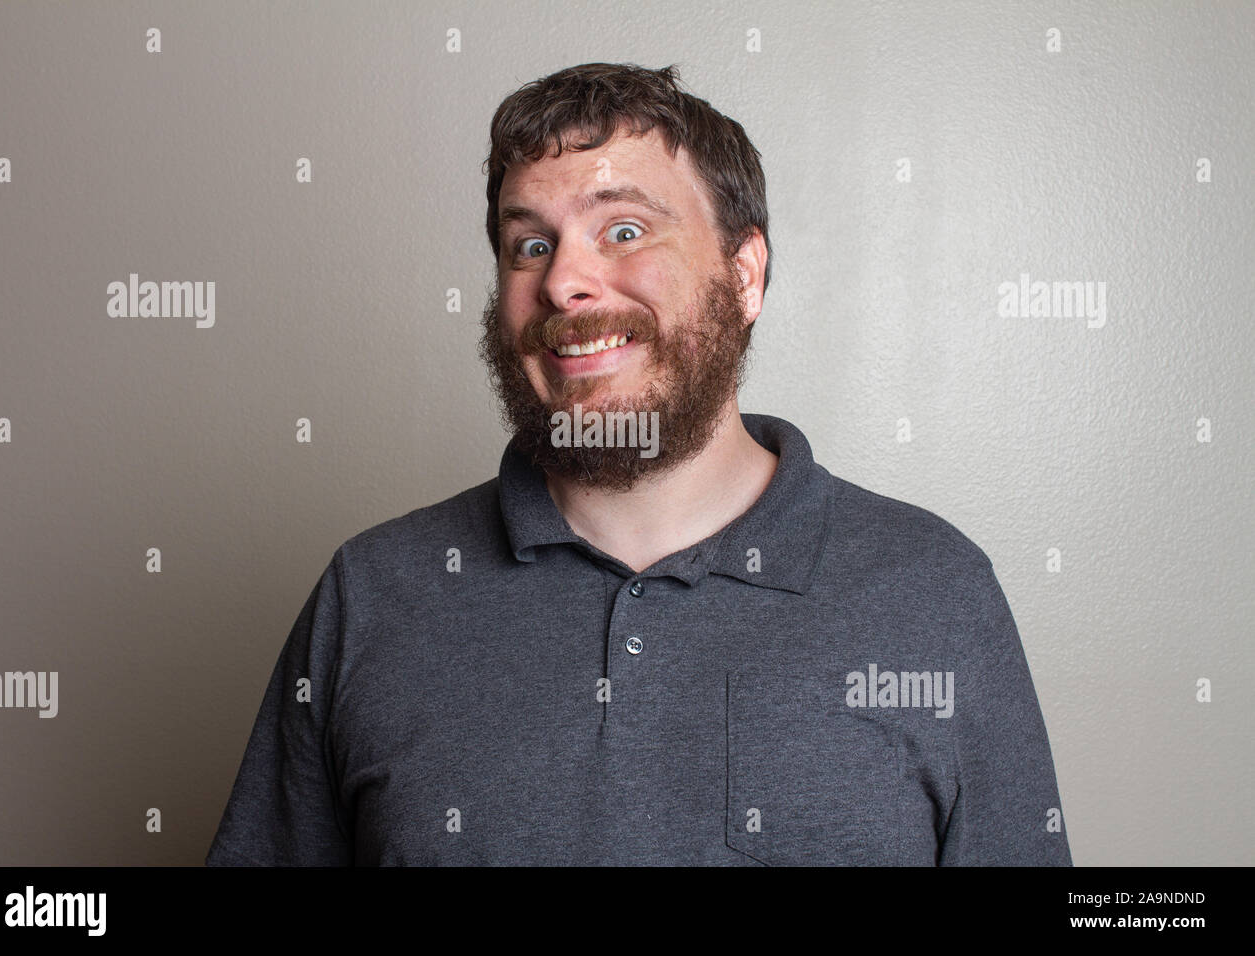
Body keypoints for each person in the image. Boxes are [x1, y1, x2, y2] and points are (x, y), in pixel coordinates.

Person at [205, 62, 1072, 866]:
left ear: (745, 277)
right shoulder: (371, 595)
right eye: (530, 246)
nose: (564, 283)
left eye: (623, 229)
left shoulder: (933, 590)